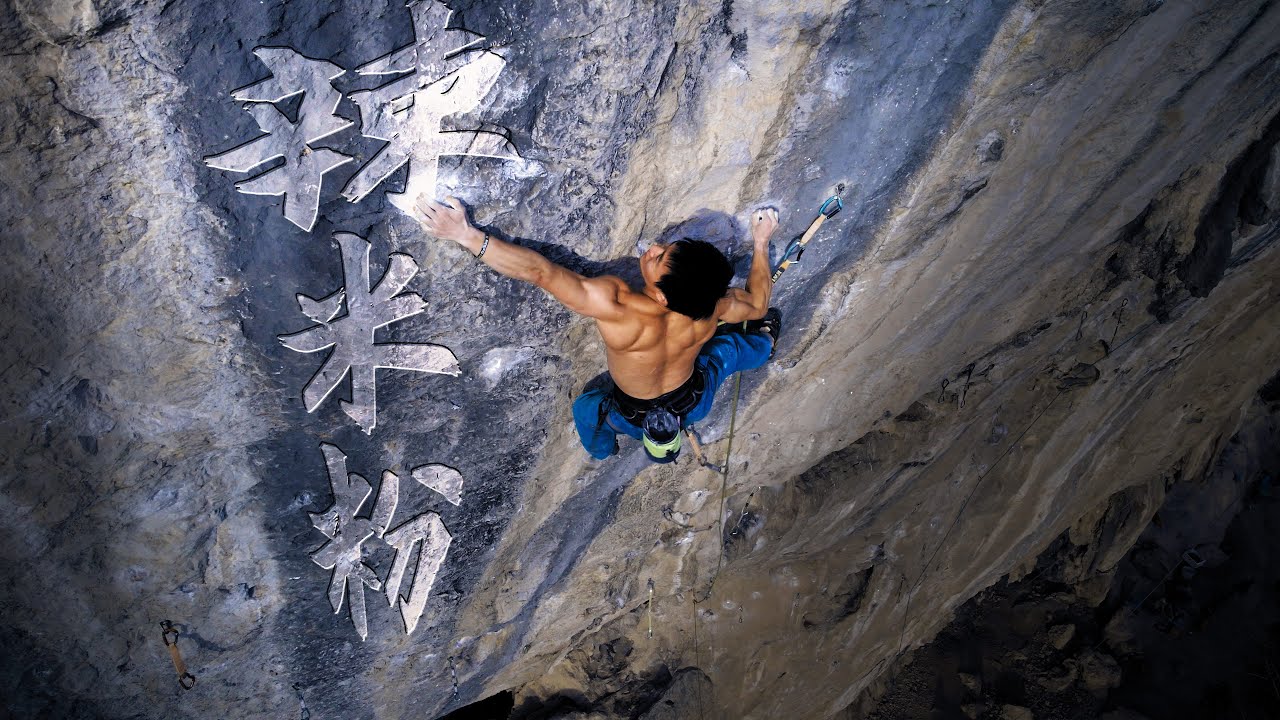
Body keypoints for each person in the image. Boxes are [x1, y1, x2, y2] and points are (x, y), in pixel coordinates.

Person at [417, 195, 781, 463]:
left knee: (588, 409)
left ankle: (603, 452)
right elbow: (758, 303)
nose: (653, 249)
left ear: (661, 295)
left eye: (658, 258)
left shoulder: (618, 306)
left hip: (632, 413)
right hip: (694, 398)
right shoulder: (716, 305)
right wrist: (761, 242)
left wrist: (465, 234)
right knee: (728, 350)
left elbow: (542, 272)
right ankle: (764, 343)